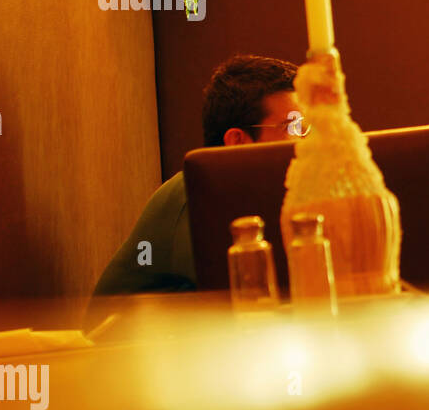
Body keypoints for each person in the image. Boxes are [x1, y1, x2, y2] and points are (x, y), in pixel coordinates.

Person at [85, 55, 303, 323]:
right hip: (115, 354)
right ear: (237, 140)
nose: (308, 140)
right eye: (292, 126)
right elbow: (239, 301)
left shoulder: (254, 194)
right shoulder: (195, 197)